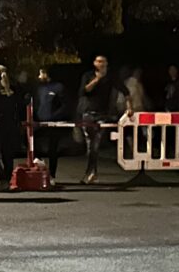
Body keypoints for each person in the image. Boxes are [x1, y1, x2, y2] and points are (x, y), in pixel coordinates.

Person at [78, 55, 133, 185]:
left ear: (107, 64)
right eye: (98, 61)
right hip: (87, 113)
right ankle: (93, 173)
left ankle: (90, 173)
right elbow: (84, 90)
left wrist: (129, 108)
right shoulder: (88, 75)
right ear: (94, 63)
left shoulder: (111, 77)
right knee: (89, 145)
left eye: (103, 61)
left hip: (102, 114)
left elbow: (126, 92)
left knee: (95, 144)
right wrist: (97, 79)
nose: (101, 64)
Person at [34, 68, 66, 181]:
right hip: (40, 121)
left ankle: (52, 176)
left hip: (54, 122)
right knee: (30, 141)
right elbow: (37, 104)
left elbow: (64, 105)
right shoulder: (39, 88)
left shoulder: (58, 87)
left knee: (52, 149)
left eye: (41, 73)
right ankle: (38, 159)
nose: (39, 76)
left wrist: (55, 117)